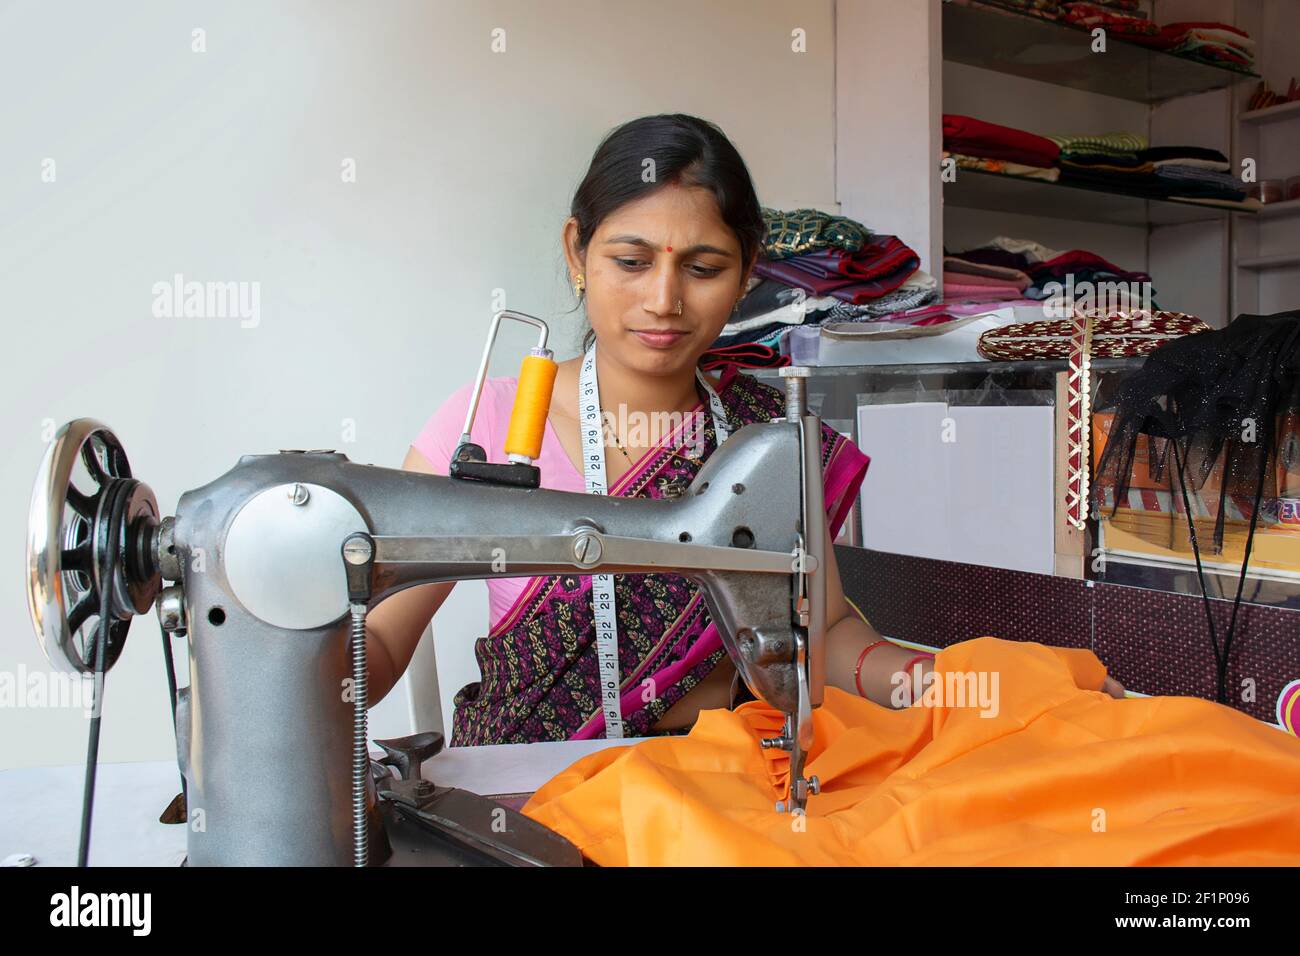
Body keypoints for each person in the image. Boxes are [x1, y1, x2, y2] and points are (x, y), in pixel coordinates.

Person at [364, 114, 1123, 745]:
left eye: (703, 268)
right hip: (532, 782)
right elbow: (387, 638)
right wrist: (295, 670)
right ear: (577, 253)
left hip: (728, 775)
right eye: (630, 260)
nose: (663, 300)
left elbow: (821, 636)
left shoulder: (767, 440)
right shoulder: (488, 425)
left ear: (748, 269)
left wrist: (949, 686)